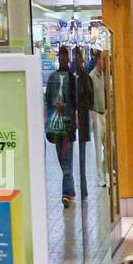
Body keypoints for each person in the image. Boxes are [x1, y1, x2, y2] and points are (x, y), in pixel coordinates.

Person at [45, 45, 77, 208]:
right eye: (61, 57)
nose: (63, 59)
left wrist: (68, 111)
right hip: (56, 127)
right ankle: (70, 190)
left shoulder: (72, 79)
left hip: (67, 126)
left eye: (65, 56)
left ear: (68, 59)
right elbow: (47, 100)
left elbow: (75, 102)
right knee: (62, 159)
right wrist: (53, 108)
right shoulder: (53, 78)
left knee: (67, 160)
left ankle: (66, 193)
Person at [74, 52, 94, 200]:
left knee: (81, 158)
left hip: (81, 122)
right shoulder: (78, 78)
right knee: (75, 158)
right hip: (77, 122)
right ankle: (80, 188)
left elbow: (90, 100)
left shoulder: (84, 78)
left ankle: (83, 188)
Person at [88, 50, 108, 188]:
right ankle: (101, 177)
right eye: (103, 59)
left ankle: (106, 173)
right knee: (98, 148)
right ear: (97, 60)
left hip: (105, 113)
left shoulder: (105, 76)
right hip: (96, 114)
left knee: (108, 147)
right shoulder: (92, 76)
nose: (105, 62)